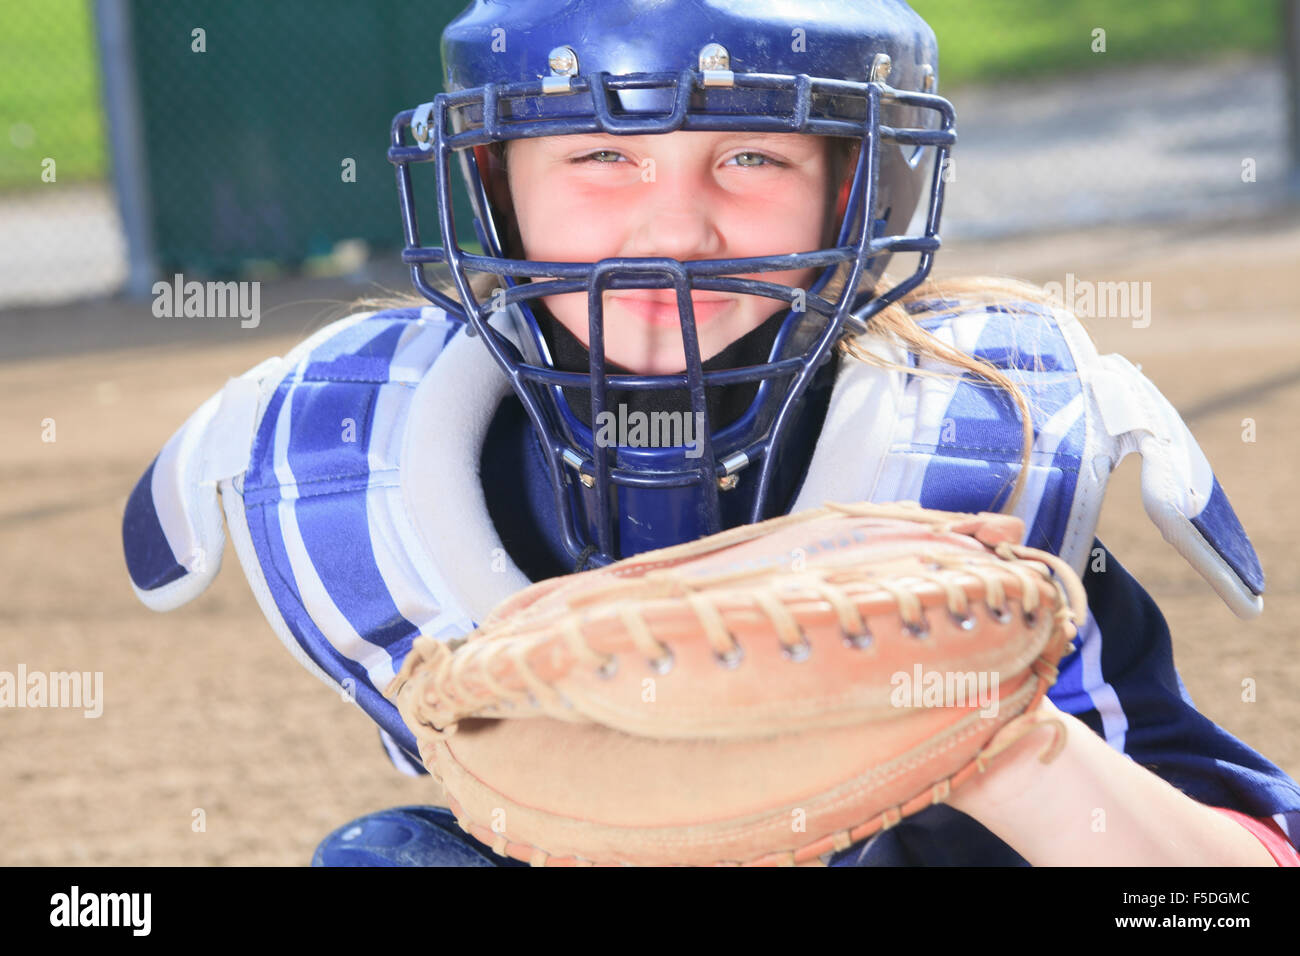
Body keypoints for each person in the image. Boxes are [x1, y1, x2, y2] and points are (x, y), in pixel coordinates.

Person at [122, 0, 1300, 866]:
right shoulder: (360, 458)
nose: (674, 226)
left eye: (751, 155)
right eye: (600, 154)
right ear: (492, 181)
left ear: (856, 185)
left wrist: (1000, 740)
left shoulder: (980, 459)